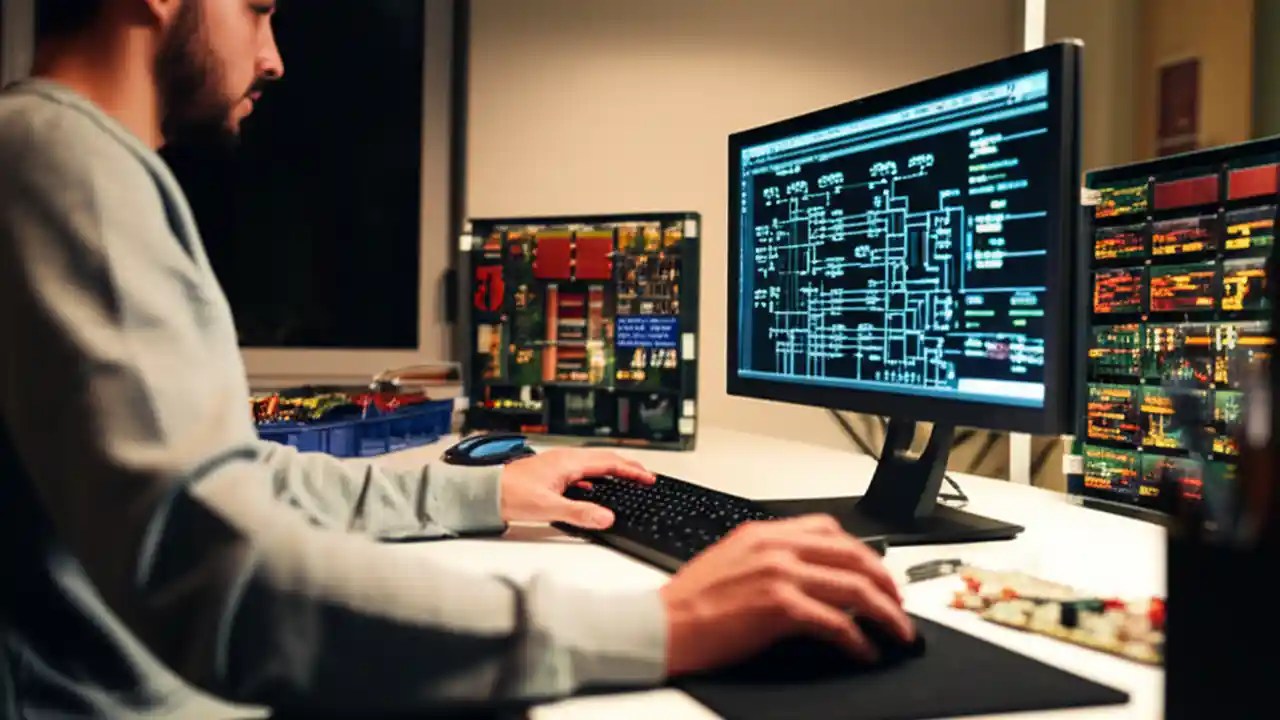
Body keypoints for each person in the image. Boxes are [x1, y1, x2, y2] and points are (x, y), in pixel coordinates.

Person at [0, 1, 915, 717]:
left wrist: (483, 493)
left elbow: (230, 485)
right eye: (259, 7)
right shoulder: (61, 162)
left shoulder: (72, 164)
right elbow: (217, 574)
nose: (274, 57)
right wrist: (662, 624)